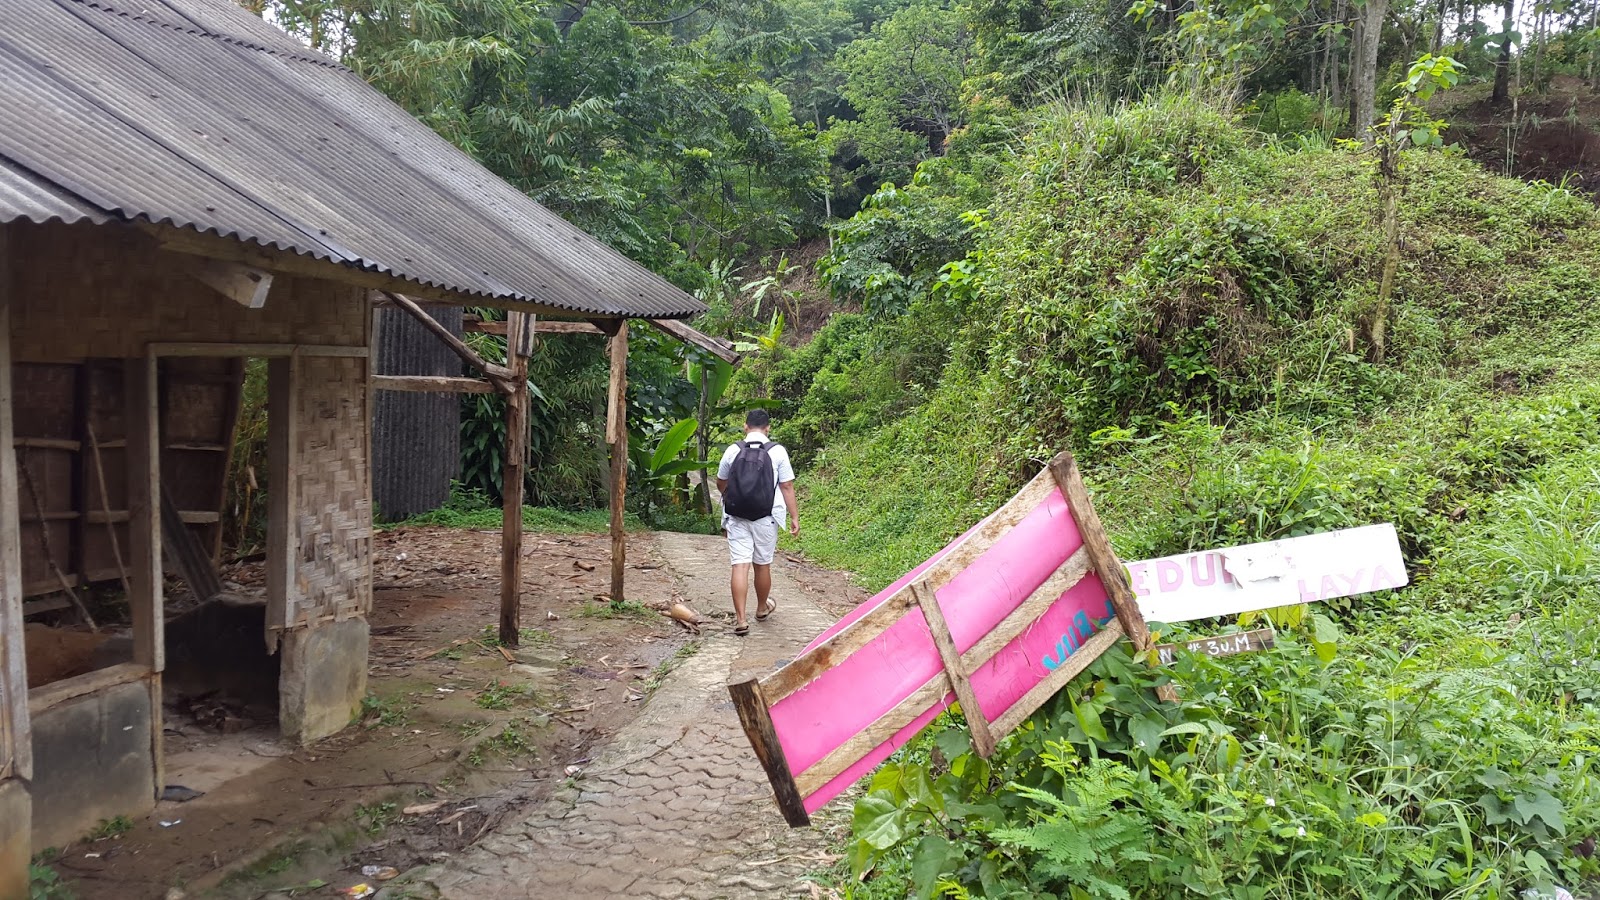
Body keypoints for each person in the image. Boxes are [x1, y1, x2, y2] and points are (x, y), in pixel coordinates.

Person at [716, 409, 798, 636]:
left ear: (745, 426)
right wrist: (794, 516)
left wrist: (734, 499)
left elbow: (721, 482)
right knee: (762, 564)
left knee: (740, 565)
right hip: (766, 517)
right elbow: (787, 486)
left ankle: (741, 620)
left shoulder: (733, 450)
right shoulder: (777, 451)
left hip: (737, 517)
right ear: (768, 428)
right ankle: (761, 609)